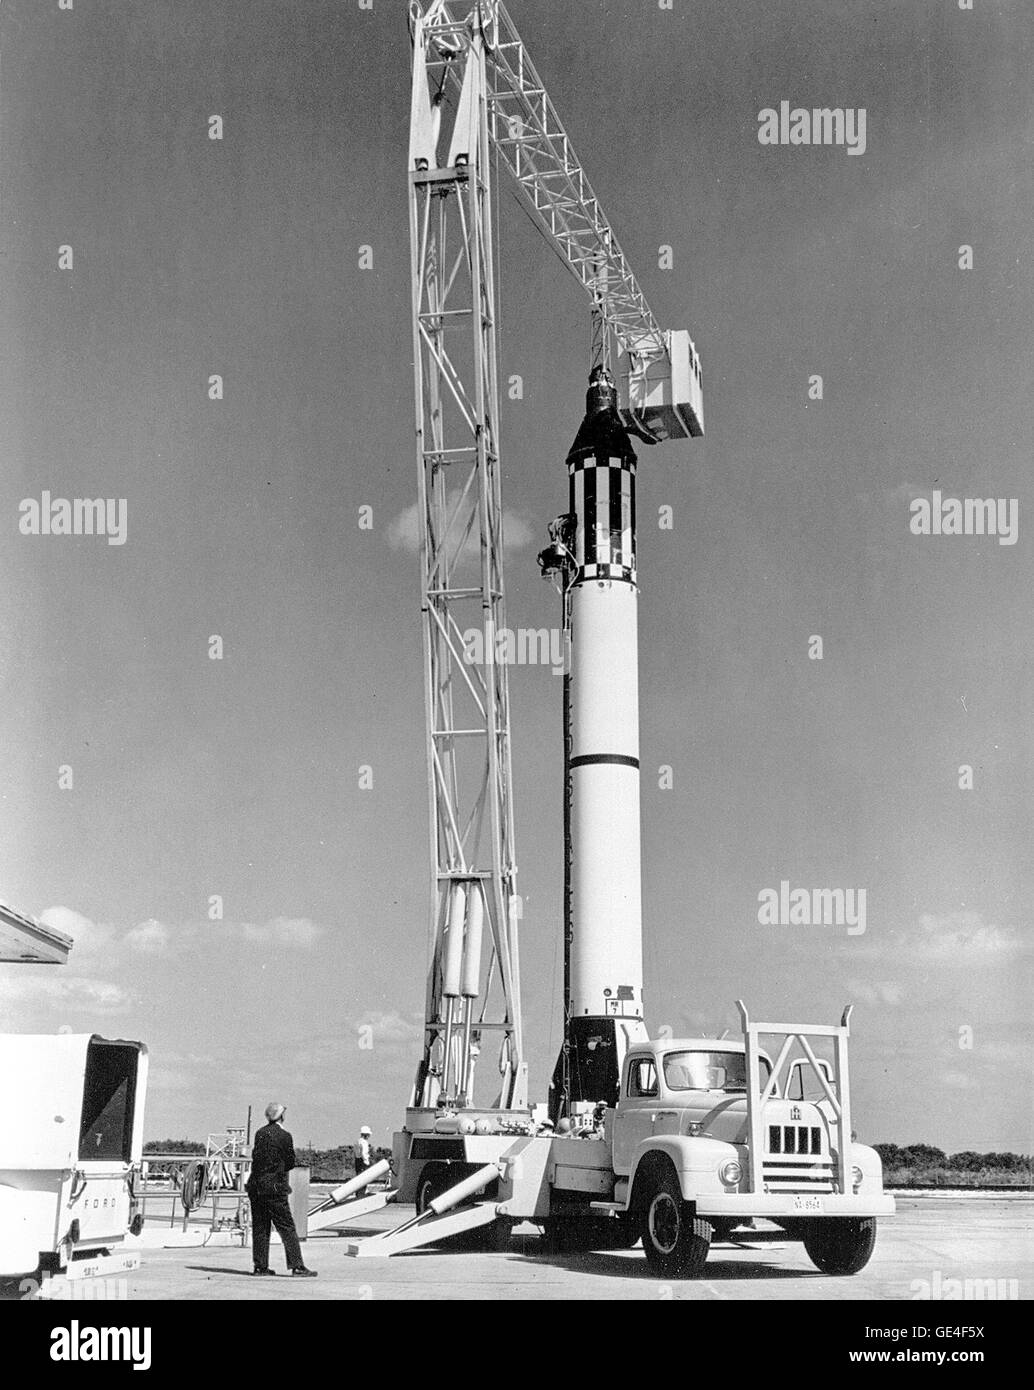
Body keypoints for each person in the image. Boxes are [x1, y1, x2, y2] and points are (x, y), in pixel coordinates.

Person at [245, 1102, 317, 1277]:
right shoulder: (285, 1136)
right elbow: (290, 1162)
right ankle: (297, 1265)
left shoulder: (260, 1133)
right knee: (286, 1227)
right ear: (281, 1116)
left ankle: (260, 1266)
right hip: (275, 1188)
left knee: (260, 1227)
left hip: (256, 1186)